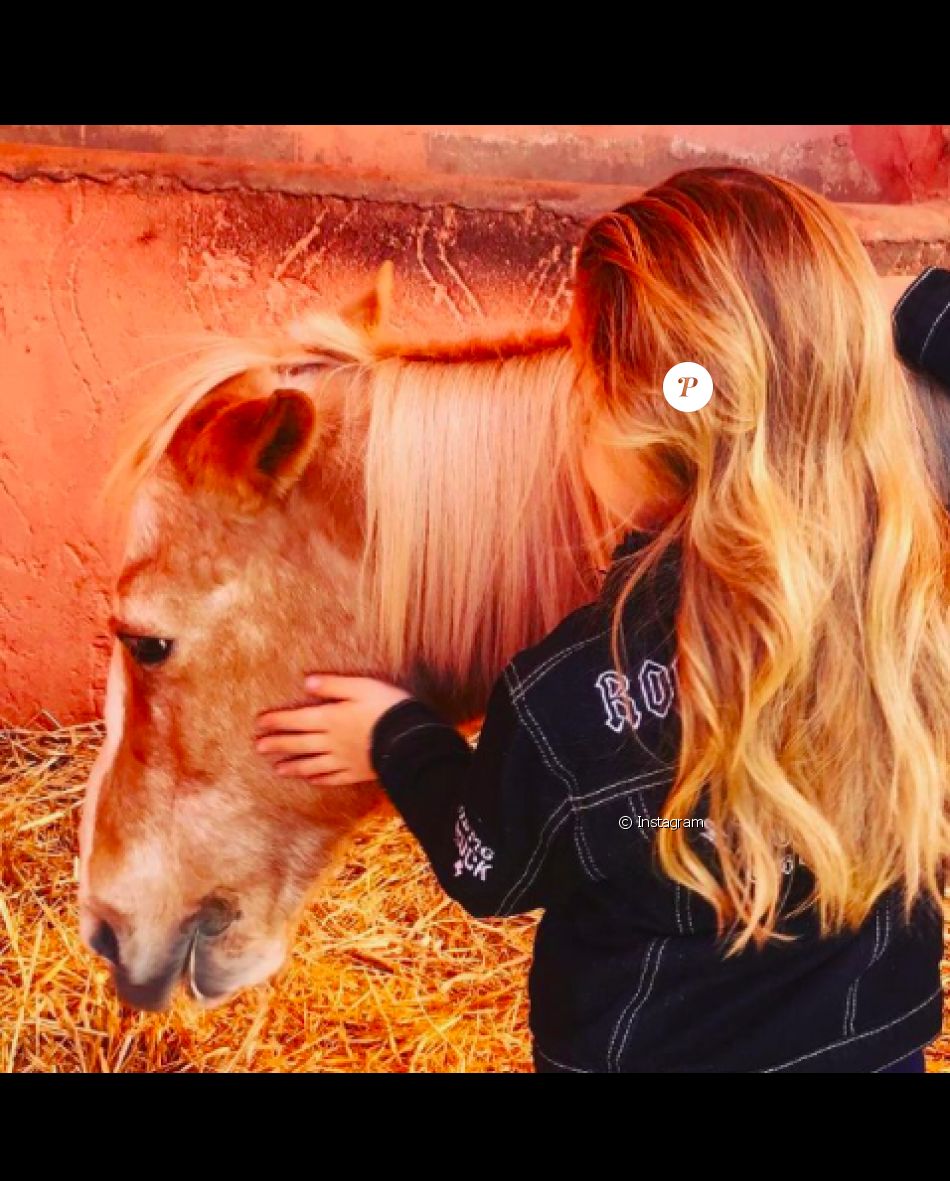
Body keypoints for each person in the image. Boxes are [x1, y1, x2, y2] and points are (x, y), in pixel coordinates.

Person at [255, 168, 950, 1073]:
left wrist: (398, 740)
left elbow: (490, 870)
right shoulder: (918, 617)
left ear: (630, 418)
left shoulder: (571, 697)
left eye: (585, 375)